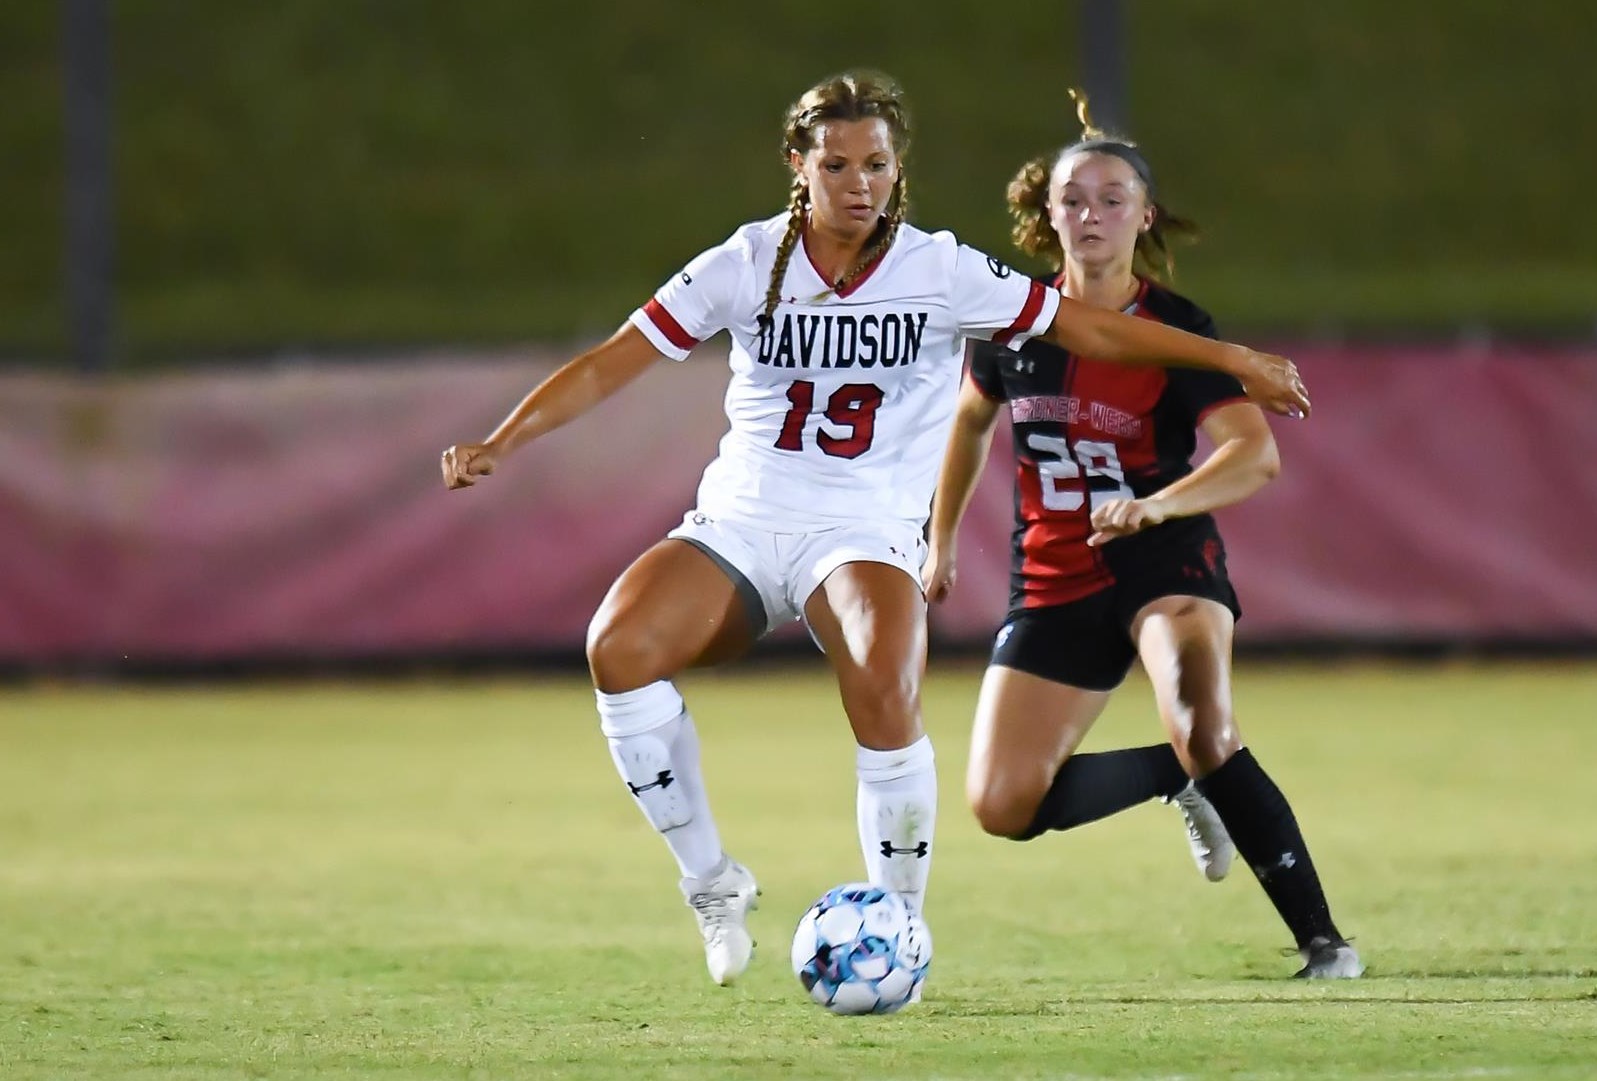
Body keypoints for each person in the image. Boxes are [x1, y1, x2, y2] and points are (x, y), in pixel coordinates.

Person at [441, 71, 1312, 988]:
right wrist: (504, 438)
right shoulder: (744, 260)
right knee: (615, 647)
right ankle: (712, 881)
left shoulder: (938, 269)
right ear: (799, 166)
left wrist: (1228, 358)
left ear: (899, 170)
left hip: (861, 527)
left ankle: (898, 928)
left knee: (885, 678)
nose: (860, 183)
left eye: (878, 165)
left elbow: (1088, 329)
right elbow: (615, 359)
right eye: (838, 164)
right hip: (742, 517)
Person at [921, 91, 1362, 979]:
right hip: (1054, 573)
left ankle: (1323, 941)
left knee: (1204, 720)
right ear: (1045, 214)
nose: (1091, 214)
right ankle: (1175, 776)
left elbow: (1253, 455)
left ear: (1143, 216)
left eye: (1111, 198)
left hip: (1165, 558)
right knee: (1001, 803)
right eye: (1073, 198)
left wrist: (1160, 505)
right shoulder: (1010, 326)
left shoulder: (1175, 331)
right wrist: (938, 541)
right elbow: (968, 423)